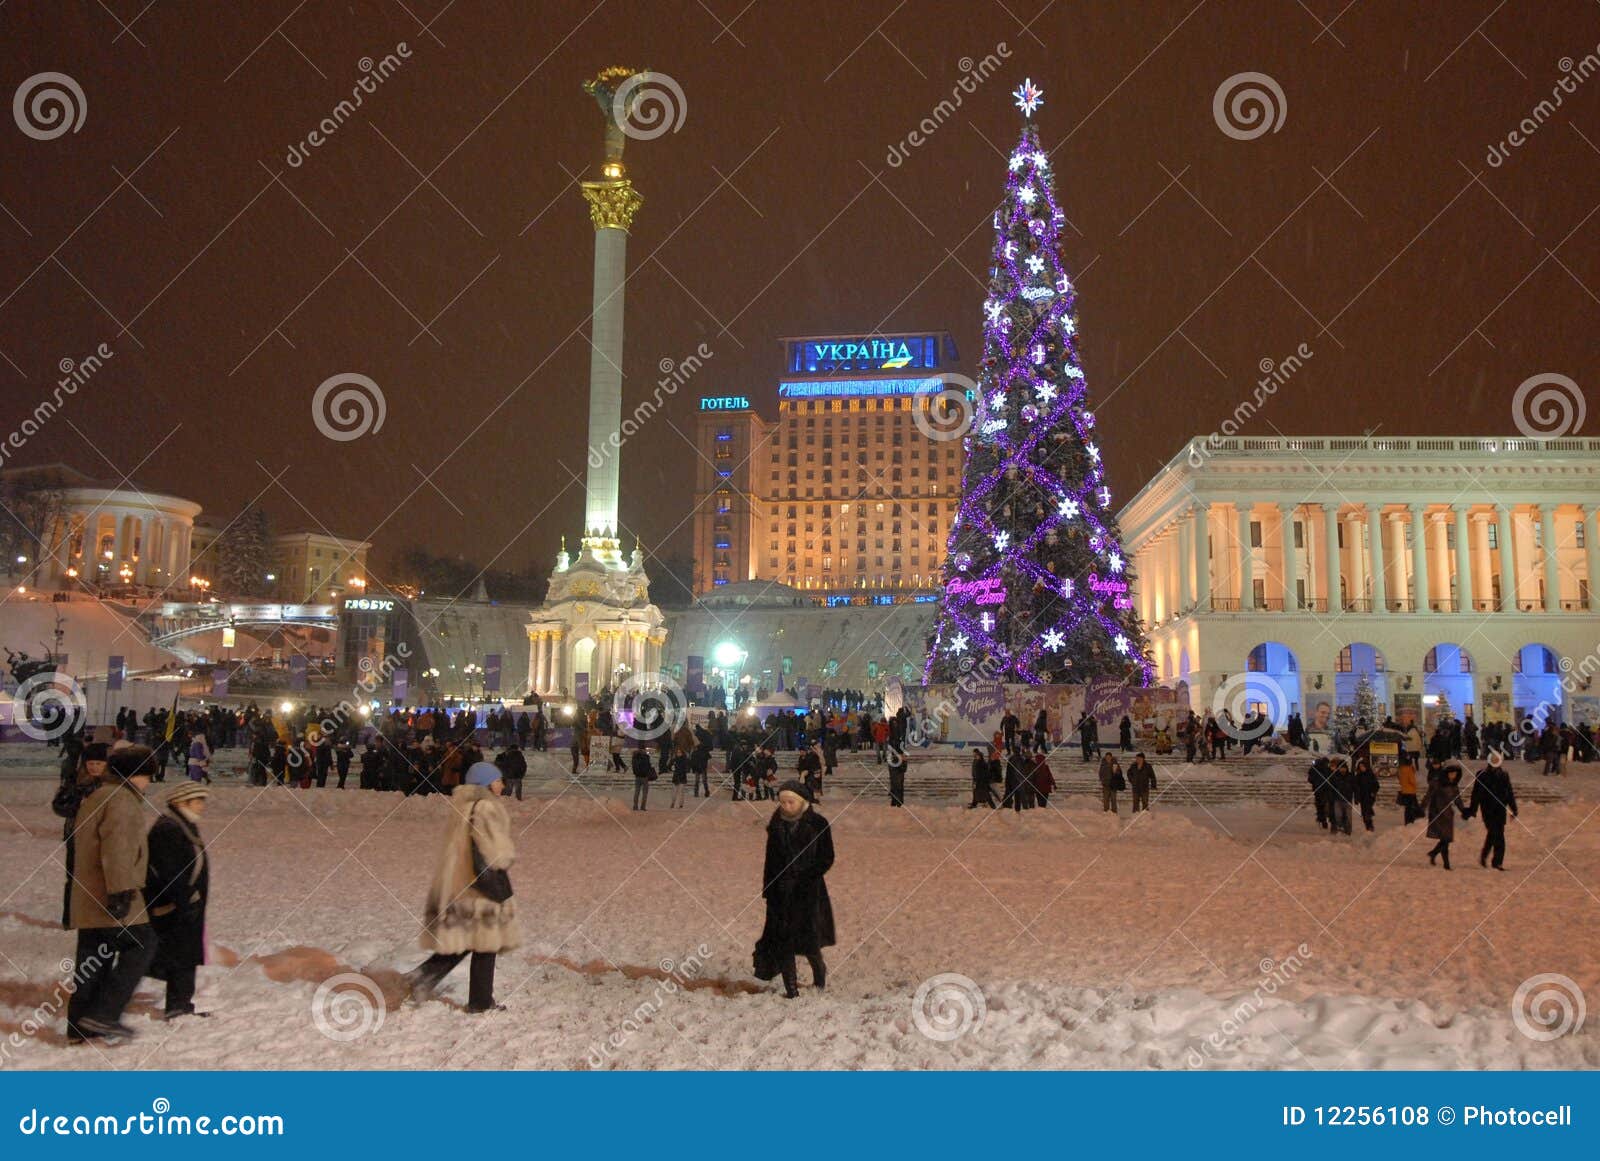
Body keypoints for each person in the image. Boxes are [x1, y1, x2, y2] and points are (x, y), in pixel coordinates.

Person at [406, 762, 518, 1012]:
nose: (502, 784)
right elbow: (485, 854)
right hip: (481, 887)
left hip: (464, 883)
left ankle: (423, 976)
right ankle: (480, 1003)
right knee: (486, 944)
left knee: (469, 940)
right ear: (487, 784)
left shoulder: (466, 805)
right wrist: (497, 890)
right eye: (498, 780)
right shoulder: (485, 808)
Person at [66, 744, 158, 1043]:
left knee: (92, 956)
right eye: (146, 775)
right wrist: (121, 891)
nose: (148, 782)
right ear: (134, 774)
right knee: (141, 945)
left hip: (88, 894)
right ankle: (105, 1014)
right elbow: (117, 847)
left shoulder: (97, 795)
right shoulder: (122, 801)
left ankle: (79, 1027)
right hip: (112, 893)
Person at [754, 782, 835, 999]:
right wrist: (768, 888)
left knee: (809, 941)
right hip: (780, 892)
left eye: (791, 802)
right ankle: (791, 989)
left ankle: (819, 975)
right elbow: (770, 861)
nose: (786, 806)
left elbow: (827, 858)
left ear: (803, 802)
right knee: (783, 942)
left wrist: (807, 875)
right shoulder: (776, 824)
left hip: (808, 891)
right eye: (783, 802)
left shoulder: (818, 824)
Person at [143, 782, 211, 1019]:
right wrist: (186, 899)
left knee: (181, 956)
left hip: (182, 904)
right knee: (178, 955)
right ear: (182, 802)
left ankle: (180, 1004)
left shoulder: (181, 824)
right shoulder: (169, 828)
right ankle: (178, 1006)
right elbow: (169, 870)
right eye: (197, 801)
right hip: (174, 905)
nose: (202, 806)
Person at [53, 741, 110, 929]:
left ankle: (98, 917)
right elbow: (59, 806)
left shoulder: (111, 785)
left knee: (100, 880)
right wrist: (78, 802)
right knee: (74, 878)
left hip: (102, 839)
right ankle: (70, 919)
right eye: (91, 763)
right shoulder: (75, 781)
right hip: (76, 837)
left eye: (98, 764)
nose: (94, 767)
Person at [1465, 749, 1517, 870]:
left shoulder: (1504, 775)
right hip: (1488, 810)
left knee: (1494, 834)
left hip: (1500, 809)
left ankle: (1486, 857)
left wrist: (1513, 808)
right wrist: (1473, 809)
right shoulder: (1481, 775)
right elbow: (1476, 794)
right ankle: (1496, 862)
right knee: (1497, 836)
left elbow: (1509, 792)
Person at [1423, 761, 1466, 870]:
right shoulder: (1438, 783)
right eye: (1451, 773)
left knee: (1445, 839)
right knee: (1445, 839)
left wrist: (1464, 811)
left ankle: (1434, 854)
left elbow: (1458, 800)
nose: (1453, 775)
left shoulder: (1454, 786)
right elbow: (1428, 796)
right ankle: (1445, 863)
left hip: (1448, 815)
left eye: (1455, 773)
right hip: (1437, 813)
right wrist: (1421, 808)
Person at [1327, 757, 1355, 835]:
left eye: (1344, 768)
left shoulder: (1350, 776)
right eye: (1341, 768)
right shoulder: (1334, 776)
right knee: (1338, 816)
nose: (1343, 770)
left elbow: (1355, 786)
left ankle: (1348, 830)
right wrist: (1331, 796)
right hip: (1337, 799)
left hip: (1347, 799)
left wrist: (1356, 796)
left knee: (1348, 817)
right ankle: (1339, 829)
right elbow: (1331, 788)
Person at [1354, 756, 1380, 832]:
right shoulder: (1358, 776)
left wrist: (1373, 792)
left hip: (1369, 796)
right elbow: (1356, 787)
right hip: (1362, 797)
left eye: (1363, 766)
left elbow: (1376, 785)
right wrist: (1356, 798)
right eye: (1360, 767)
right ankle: (1368, 825)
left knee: (1367, 812)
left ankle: (1370, 826)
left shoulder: (1370, 774)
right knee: (1364, 813)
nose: (1362, 768)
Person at [1396, 754, 1422, 824]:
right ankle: (1411, 820)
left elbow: (1400, 779)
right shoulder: (1409, 769)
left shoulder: (1400, 769)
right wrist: (1415, 785)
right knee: (1411, 807)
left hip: (1404, 791)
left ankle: (1407, 821)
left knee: (1407, 808)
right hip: (1411, 791)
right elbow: (1412, 780)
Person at [630, 743, 654, 811]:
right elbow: (648, 766)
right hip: (644, 776)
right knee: (645, 793)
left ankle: (635, 806)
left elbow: (633, 765)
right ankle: (643, 807)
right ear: (644, 749)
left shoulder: (634, 756)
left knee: (636, 792)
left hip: (637, 776)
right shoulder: (646, 756)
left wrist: (635, 772)